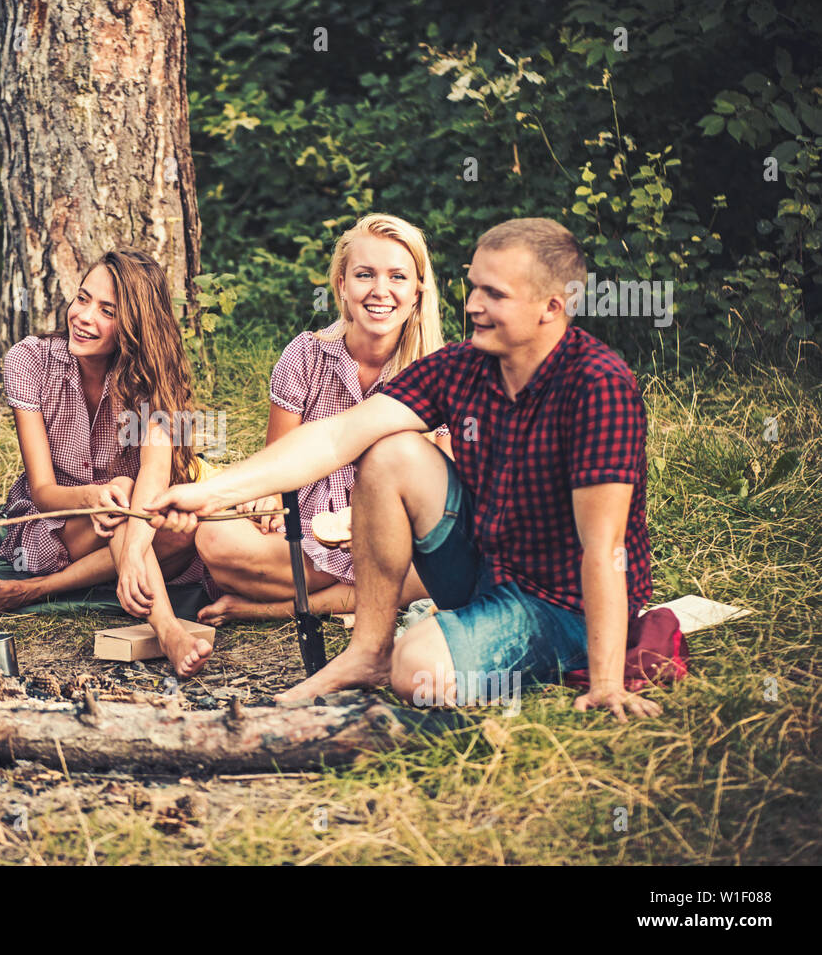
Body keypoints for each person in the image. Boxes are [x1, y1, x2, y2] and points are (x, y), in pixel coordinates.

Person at [148, 218, 662, 723]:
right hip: (482, 563)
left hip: (557, 600)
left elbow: (605, 547)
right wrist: (212, 492)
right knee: (389, 448)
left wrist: (607, 682)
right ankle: (368, 648)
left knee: (418, 673)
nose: (474, 305)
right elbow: (337, 435)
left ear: (554, 307)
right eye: (474, 287)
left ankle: (455, 650)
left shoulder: (597, 386)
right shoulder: (463, 365)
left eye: (496, 295)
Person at [193, 213, 450, 625]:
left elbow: (442, 496)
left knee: (449, 558)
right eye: (365, 275)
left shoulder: (436, 369)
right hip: (304, 527)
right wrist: (270, 501)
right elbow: (278, 465)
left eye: (397, 277)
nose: (380, 291)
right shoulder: (306, 354)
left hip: (390, 536)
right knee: (214, 538)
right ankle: (361, 590)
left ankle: (278, 606)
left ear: (418, 291)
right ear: (342, 286)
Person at [0, 249, 213, 676]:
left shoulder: (156, 376)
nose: (84, 316)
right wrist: (94, 496)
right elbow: (43, 492)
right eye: (82, 299)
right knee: (121, 500)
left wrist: (133, 545)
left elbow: (154, 479)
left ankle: (39, 591)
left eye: (107, 310)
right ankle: (167, 628)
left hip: (134, 517)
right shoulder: (29, 360)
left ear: (136, 326)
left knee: (181, 532)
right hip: (58, 520)